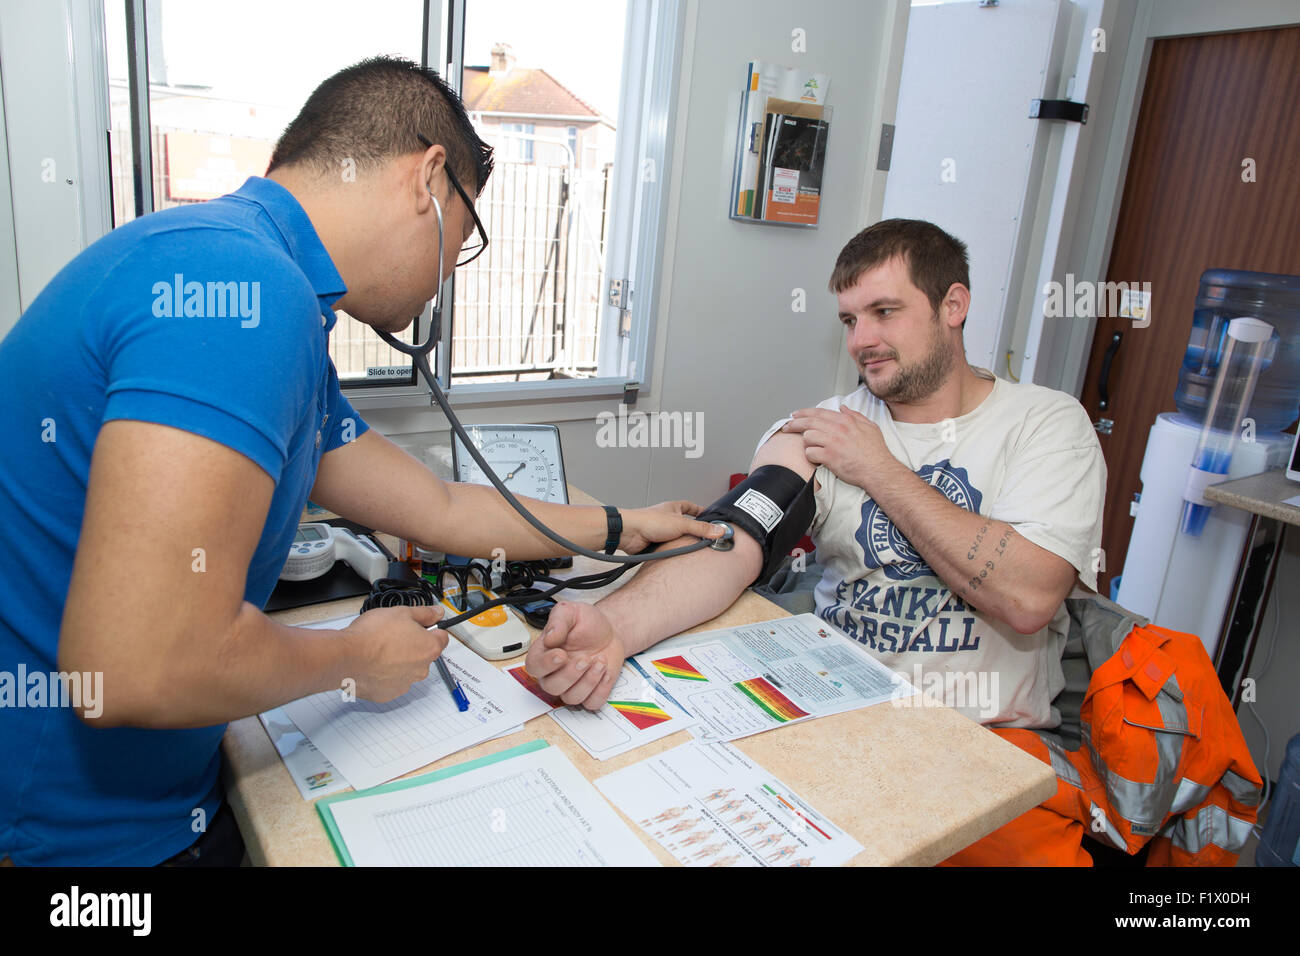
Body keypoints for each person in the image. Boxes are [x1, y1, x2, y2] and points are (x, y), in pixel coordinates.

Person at [0, 56, 719, 867]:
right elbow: (136, 669)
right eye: (464, 236)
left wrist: (626, 526)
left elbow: (439, 509)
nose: (449, 273)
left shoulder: (240, 280)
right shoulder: (244, 293)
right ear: (429, 181)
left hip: (148, 801)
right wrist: (350, 659)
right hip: (74, 846)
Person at [527, 218, 1106, 735]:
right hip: (840, 713)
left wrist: (879, 470)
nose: (861, 341)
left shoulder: (1046, 424)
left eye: (884, 312)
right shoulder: (824, 429)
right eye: (850, 320)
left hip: (988, 735)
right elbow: (732, 542)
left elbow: (1028, 596)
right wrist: (614, 629)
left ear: (953, 305)